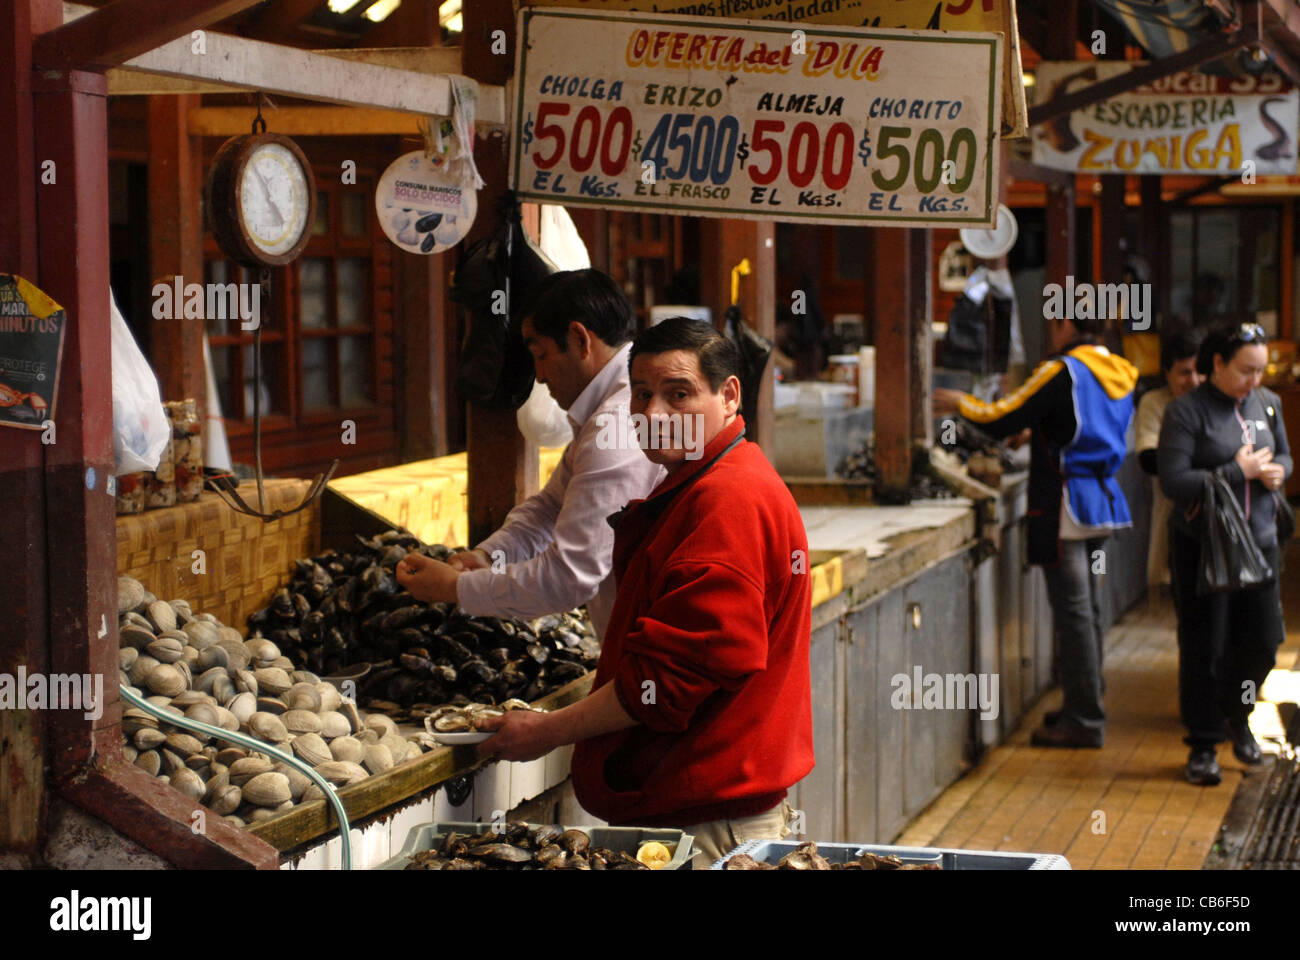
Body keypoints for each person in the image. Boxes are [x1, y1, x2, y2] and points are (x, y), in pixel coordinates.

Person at [474, 317, 814, 867]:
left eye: (679, 395)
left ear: (729, 396)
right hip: (709, 810)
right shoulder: (711, 478)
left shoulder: (725, 503)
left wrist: (545, 731)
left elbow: (665, 681)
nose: (655, 415)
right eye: (642, 394)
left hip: (710, 829)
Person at [396, 269, 665, 640]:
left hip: (661, 649)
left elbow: (570, 577)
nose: (538, 376)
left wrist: (455, 590)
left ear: (579, 339)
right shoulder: (610, 407)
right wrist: (490, 556)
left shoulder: (617, 424)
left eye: (540, 355)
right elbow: (550, 508)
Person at [934, 310, 1138, 749]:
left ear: (1066, 326)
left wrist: (959, 404)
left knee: (1076, 614)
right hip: (1102, 502)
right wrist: (1041, 433)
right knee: (1090, 612)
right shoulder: (1121, 371)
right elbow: (1078, 424)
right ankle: (1083, 705)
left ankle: (1085, 719)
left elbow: (1005, 416)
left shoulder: (1062, 370)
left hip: (1067, 505)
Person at [1157, 322, 1290, 786]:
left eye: (1261, 370)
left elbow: (1287, 458)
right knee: (1204, 648)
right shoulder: (1186, 413)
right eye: (1246, 370)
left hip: (1261, 543)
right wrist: (1235, 471)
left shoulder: (1267, 404)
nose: (1255, 380)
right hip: (1205, 547)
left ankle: (1239, 714)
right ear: (1217, 364)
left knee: (1263, 642)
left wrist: (1275, 472)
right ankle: (1203, 744)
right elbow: (1174, 481)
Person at [1135, 331, 1204, 599]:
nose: (1194, 380)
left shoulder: (1219, 401)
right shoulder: (1155, 404)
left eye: (1200, 371)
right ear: (1167, 372)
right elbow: (1148, 459)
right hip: (1174, 519)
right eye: (1184, 373)